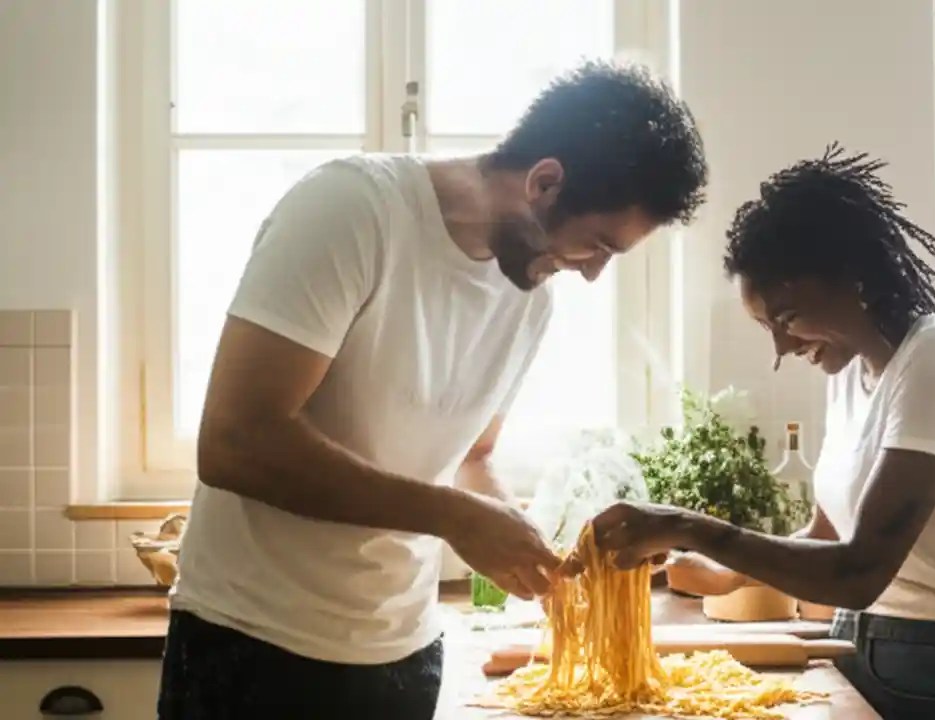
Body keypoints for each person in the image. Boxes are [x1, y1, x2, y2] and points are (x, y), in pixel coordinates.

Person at [158, 61, 707, 720]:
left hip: (404, 656)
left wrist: (525, 544)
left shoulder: (527, 297)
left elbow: (472, 457)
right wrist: (453, 517)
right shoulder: (354, 211)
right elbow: (235, 440)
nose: (591, 274)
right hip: (252, 647)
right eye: (596, 245)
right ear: (545, 181)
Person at [590, 144, 935, 719]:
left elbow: (859, 571)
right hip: (859, 648)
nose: (782, 348)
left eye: (788, 319)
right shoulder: (850, 370)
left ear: (853, 280)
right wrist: (727, 574)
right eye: (769, 327)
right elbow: (829, 530)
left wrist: (687, 527)